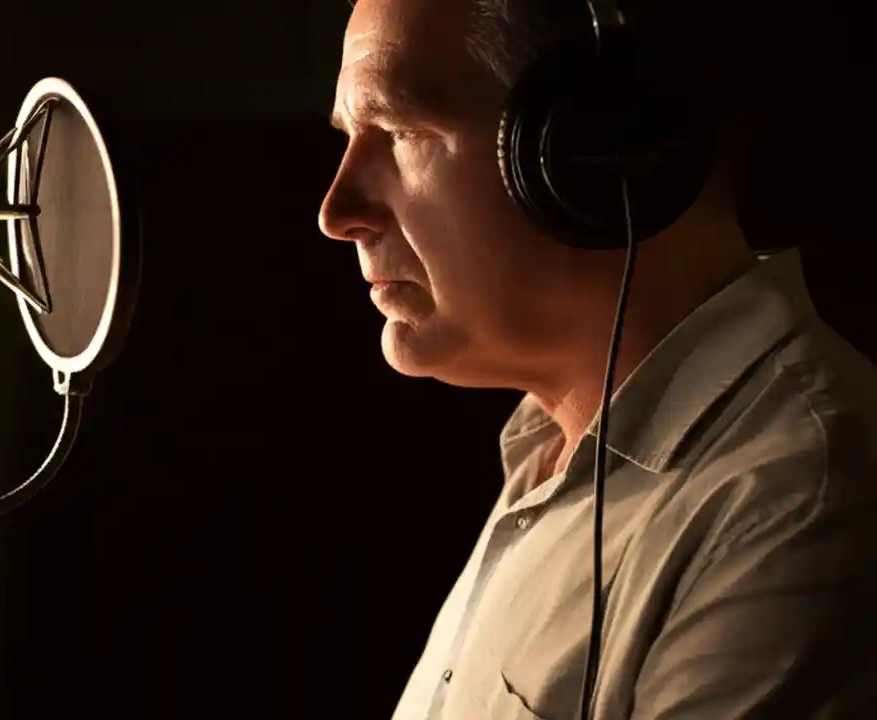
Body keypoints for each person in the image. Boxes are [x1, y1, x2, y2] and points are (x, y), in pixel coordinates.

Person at [318, 0, 877, 717]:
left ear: (592, 143)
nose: (337, 211)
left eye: (400, 130)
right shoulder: (548, 453)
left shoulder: (796, 503)